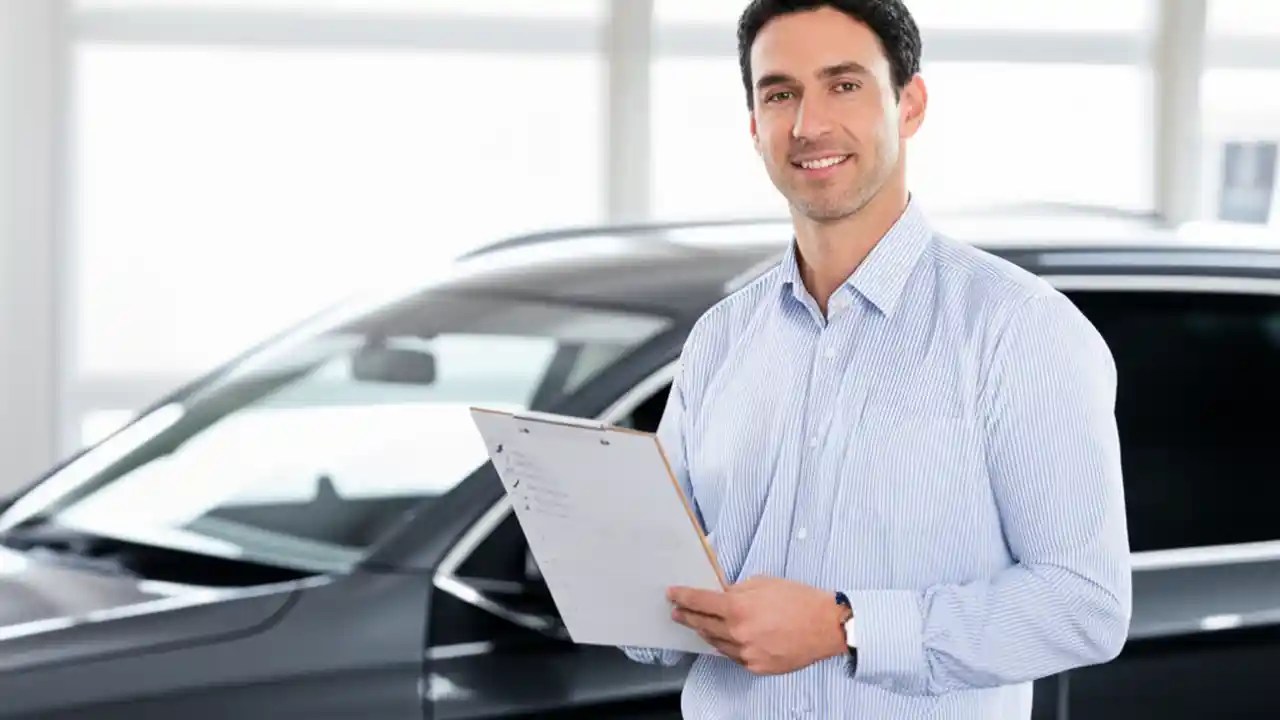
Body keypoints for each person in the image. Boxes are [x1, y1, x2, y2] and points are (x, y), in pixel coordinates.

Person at [620, 1, 1133, 717]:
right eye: (780, 94)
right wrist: (603, 557)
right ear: (753, 126)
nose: (809, 124)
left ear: (910, 103)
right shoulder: (719, 341)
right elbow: (653, 626)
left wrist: (846, 628)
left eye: (845, 85)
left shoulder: (1019, 330)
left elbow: (1086, 605)